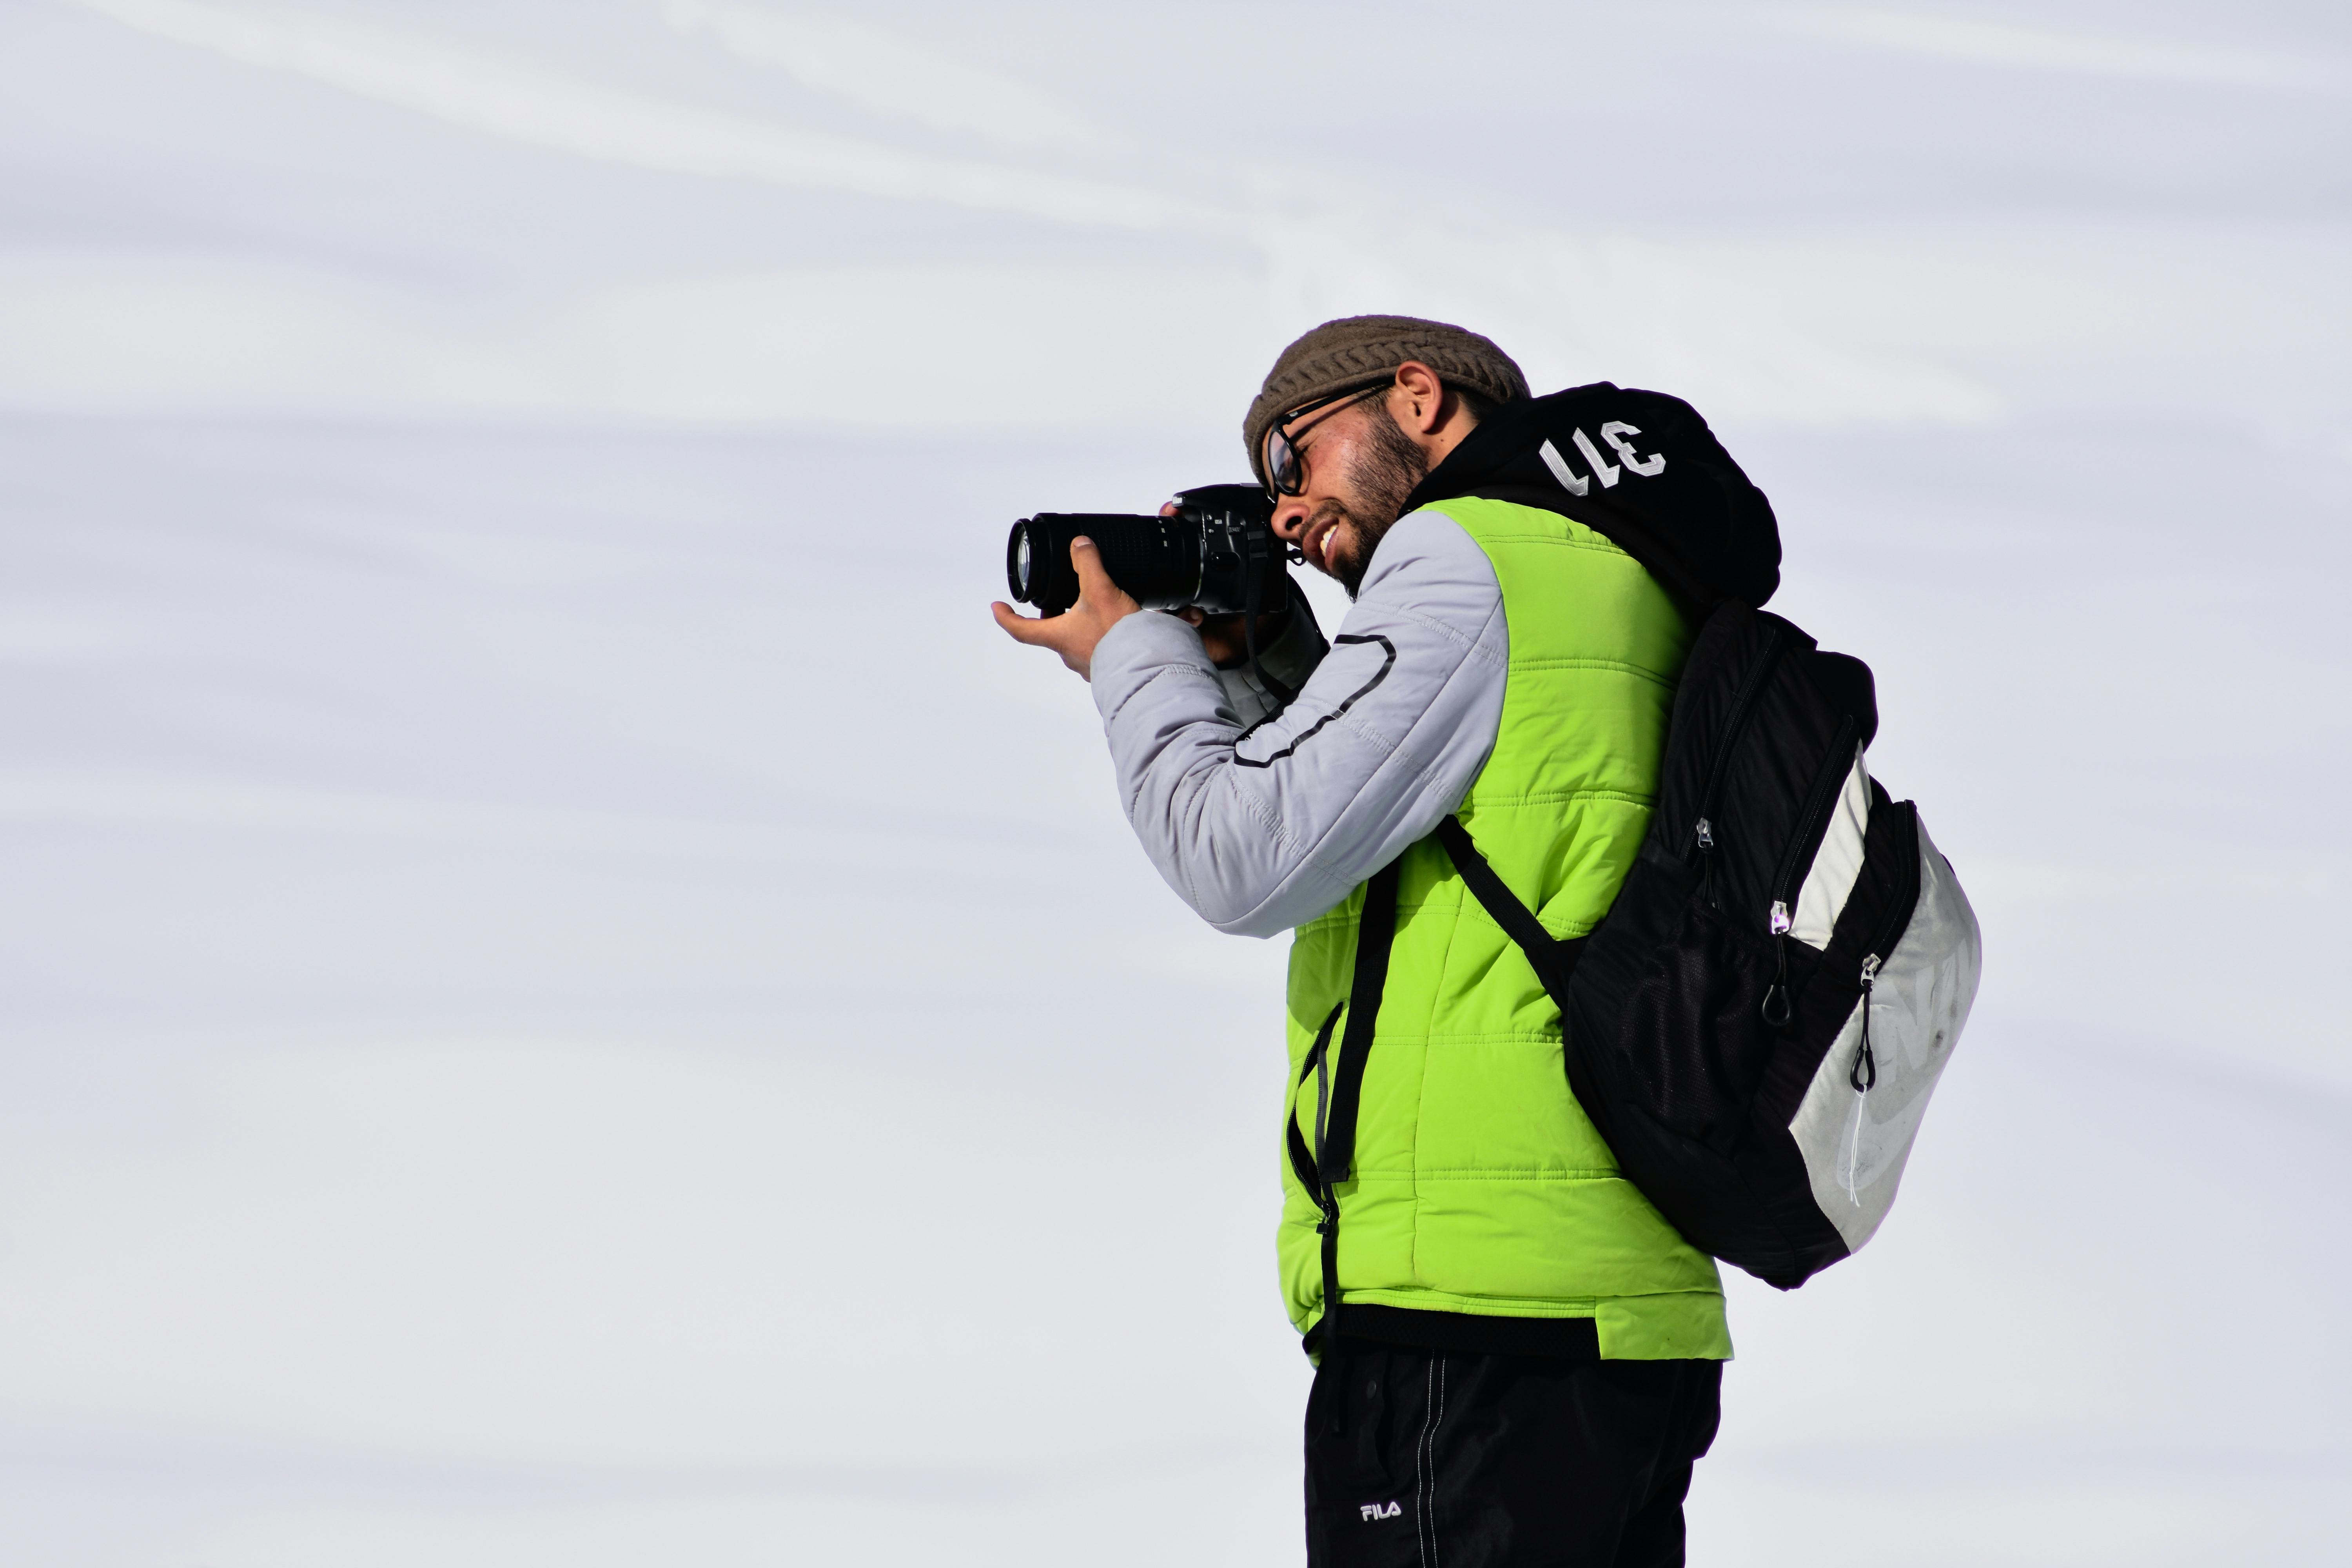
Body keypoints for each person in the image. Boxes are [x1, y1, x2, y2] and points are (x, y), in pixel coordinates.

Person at [993, 315, 1782, 1566]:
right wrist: (1266, 659)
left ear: (1415, 399)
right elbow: (1426, 834)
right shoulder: (1618, 566)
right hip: (1620, 1313)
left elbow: (1243, 857)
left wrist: (1130, 654)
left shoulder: (1467, 555)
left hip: (1466, 1318)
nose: (1288, 516)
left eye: (1294, 462)